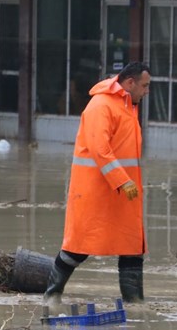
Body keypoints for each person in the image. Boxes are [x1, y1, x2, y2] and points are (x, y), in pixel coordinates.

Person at [44, 61, 151, 306]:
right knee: (78, 246)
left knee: (132, 247)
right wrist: (122, 181)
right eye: (144, 86)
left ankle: (135, 304)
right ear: (130, 83)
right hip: (97, 191)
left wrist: (125, 184)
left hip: (123, 193)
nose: (147, 91)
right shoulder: (101, 106)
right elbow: (99, 150)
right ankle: (51, 296)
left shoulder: (127, 106)